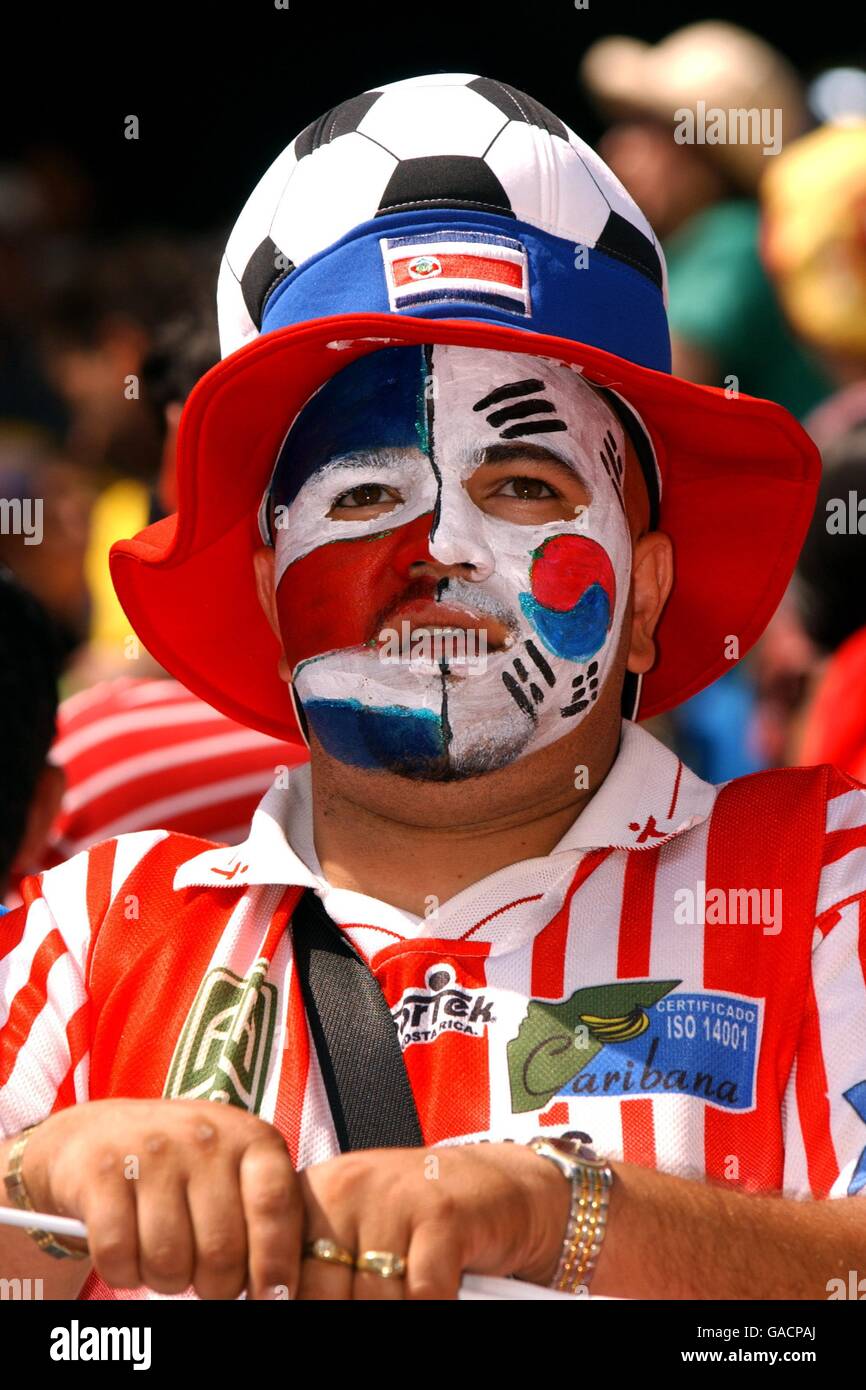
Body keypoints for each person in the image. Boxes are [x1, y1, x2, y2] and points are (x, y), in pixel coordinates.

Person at [1, 73, 865, 1304]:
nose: (441, 547)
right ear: (265, 590)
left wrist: (557, 1212)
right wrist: (38, 1177)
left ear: (644, 593)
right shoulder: (86, 937)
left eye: (521, 483)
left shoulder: (828, 884)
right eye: (361, 493)